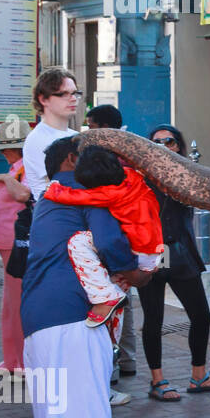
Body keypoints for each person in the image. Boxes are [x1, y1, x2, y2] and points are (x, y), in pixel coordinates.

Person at [20, 135, 148, 418]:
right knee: (87, 417)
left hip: (38, 322)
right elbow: (111, 242)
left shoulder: (49, 201)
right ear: (75, 160)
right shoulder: (86, 193)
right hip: (75, 317)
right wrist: (136, 270)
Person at [137, 125, 210, 402]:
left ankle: (199, 376)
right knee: (154, 319)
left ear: (179, 145)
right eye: (157, 142)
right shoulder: (140, 176)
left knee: (201, 315)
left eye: (170, 141)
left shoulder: (188, 173)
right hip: (153, 252)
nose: (165, 145)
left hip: (180, 252)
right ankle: (158, 380)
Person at [43, 146, 164, 328]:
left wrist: (53, 189)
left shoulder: (108, 194)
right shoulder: (133, 177)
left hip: (138, 251)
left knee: (78, 242)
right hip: (154, 254)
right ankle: (111, 324)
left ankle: (105, 299)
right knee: (118, 286)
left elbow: (77, 197)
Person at [83, 102, 137, 376]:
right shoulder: (133, 151)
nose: (88, 131)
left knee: (112, 304)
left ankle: (111, 369)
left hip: (117, 243)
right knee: (123, 302)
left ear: (104, 127)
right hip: (129, 243)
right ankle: (127, 360)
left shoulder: (110, 158)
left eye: (91, 127)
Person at [0, 118, 31, 376]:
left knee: (17, 303)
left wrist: (2, 177)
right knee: (10, 304)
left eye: (6, 148)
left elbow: (23, 194)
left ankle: (20, 361)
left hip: (16, 243)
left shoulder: (24, 169)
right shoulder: (16, 168)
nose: (3, 153)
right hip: (7, 243)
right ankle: (12, 359)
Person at [23, 68, 80, 202]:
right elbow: (61, 184)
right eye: (63, 94)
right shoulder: (38, 138)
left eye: (75, 93)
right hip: (56, 212)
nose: (73, 99)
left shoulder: (75, 135)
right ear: (43, 99)